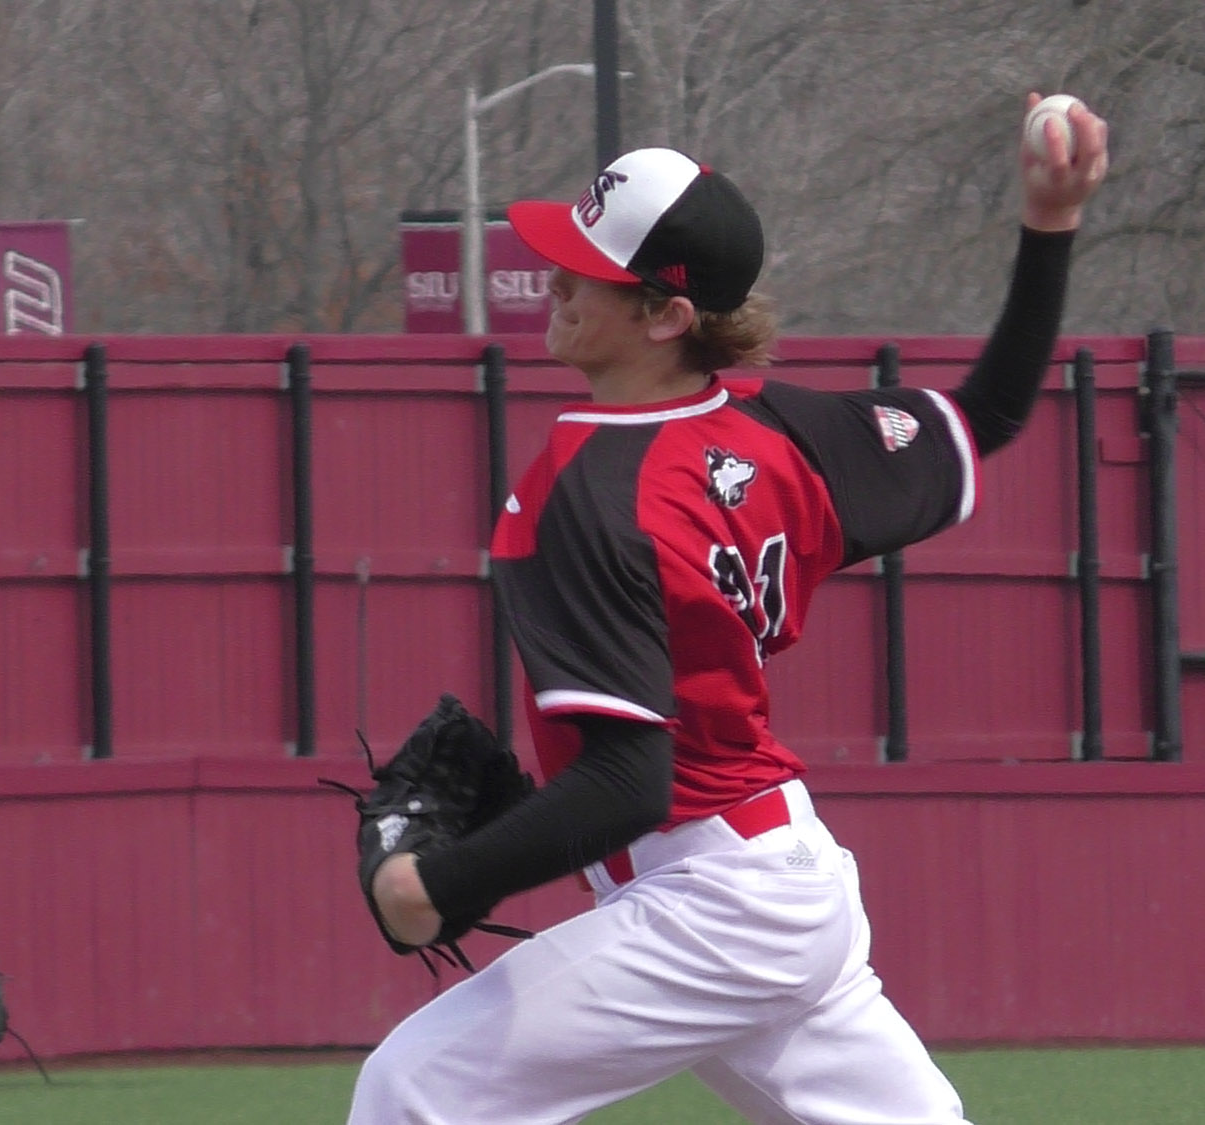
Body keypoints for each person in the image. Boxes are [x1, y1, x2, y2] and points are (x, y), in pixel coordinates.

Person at [351, 92, 1109, 1123]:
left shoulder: (585, 495)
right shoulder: (779, 431)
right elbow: (988, 415)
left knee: (412, 1089)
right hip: (775, 879)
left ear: (666, 317)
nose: (558, 279)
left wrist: (433, 886)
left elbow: (626, 781)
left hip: (709, 901)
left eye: (592, 273)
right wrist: (1050, 223)